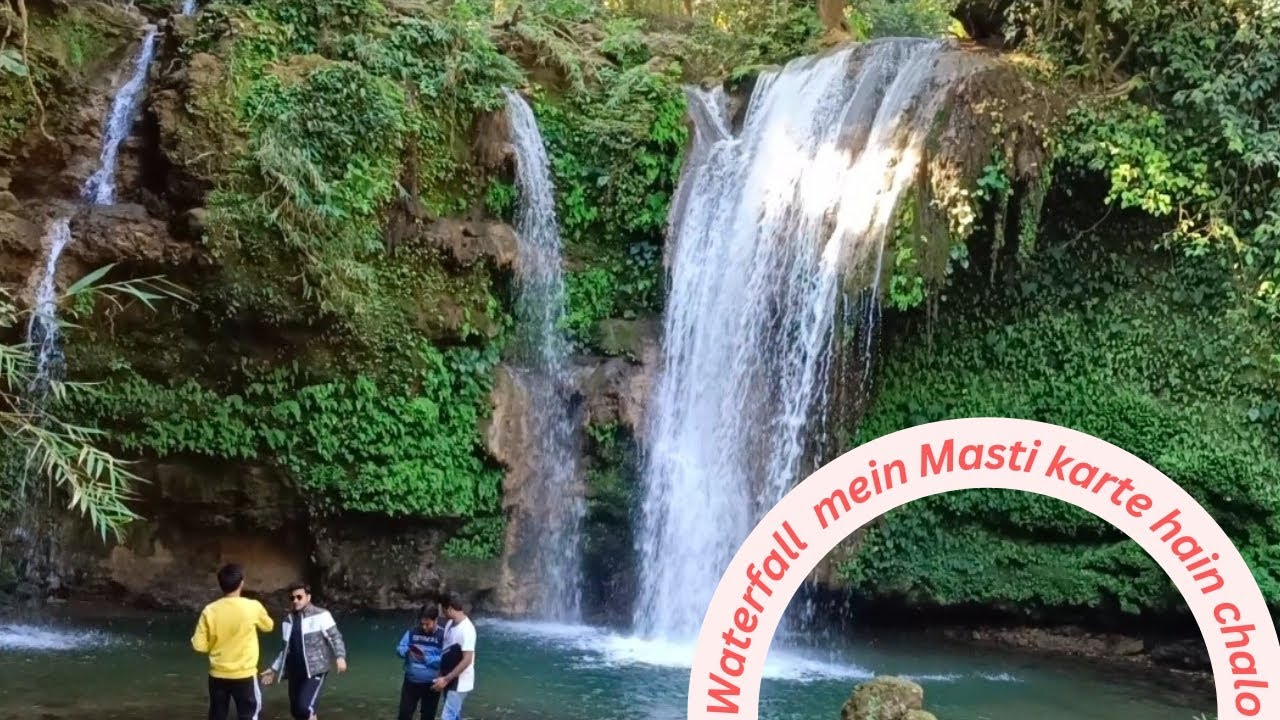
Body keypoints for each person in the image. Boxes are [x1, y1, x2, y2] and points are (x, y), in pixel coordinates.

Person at [191, 563, 275, 720]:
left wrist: (215, 643)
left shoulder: (209, 610)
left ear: (220, 584)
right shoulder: (253, 607)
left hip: (217, 675)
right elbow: (269, 627)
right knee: (249, 715)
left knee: (217, 716)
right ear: (241, 583)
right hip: (245, 674)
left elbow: (199, 646)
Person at [260, 582, 348, 720]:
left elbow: (335, 637)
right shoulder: (287, 620)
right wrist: (273, 668)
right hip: (295, 671)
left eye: (299, 597)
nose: (295, 601)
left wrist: (340, 657)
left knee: (305, 708)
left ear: (308, 597)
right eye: (292, 598)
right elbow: (285, 649)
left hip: (316, 670)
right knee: (296, 711)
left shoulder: (322, 615)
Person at [396, 604, 446, 720]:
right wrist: (406, 651)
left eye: (427, 624)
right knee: (404, 715)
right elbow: (399, 648)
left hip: (432, 685)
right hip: (411, 682)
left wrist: (425, 659)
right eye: (422, 623)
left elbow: (446, 660)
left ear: (436, 620)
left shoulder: (443, 635)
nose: (424, 627)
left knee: (428, 716)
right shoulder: (412, 632)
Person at [432, 596, 476, 720]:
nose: (442, 614)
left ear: (450, 609)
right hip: (449, 678)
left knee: (448, 716)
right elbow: (446, 650)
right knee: (454, 714)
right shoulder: (450, 624)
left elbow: (467, 659)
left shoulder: (467, 630)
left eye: (444, 610)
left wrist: (446, 679)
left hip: (459, 682)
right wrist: (441, 674)